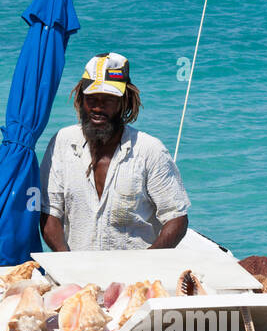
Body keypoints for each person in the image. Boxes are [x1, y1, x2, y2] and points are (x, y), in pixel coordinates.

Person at [38, 53, 189, 251]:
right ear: (81, 98)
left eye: (108, 99)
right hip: (77, 270)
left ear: (124, 102)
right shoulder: (61, 143)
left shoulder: (149, 150)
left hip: (136, 275)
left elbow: (176, 218)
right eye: (92, 99)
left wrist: (146, 264)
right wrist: (68, 262)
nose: (98, 108)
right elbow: (49, 213)